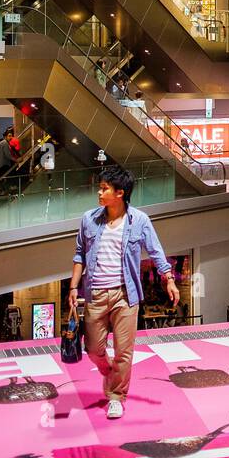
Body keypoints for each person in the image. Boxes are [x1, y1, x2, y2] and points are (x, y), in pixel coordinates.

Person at [69, 164, 178, 420]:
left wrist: (169, 279)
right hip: (95, 293)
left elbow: (155, 250)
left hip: (126, 296)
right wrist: (74, 286)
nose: (99, 192)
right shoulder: (89, 219)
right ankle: (109, 372)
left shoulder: (139, 220)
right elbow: (79, 254)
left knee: (124, 351)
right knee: (94, 350)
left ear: (120, 193)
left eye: (104, 188)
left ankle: (117, 397)